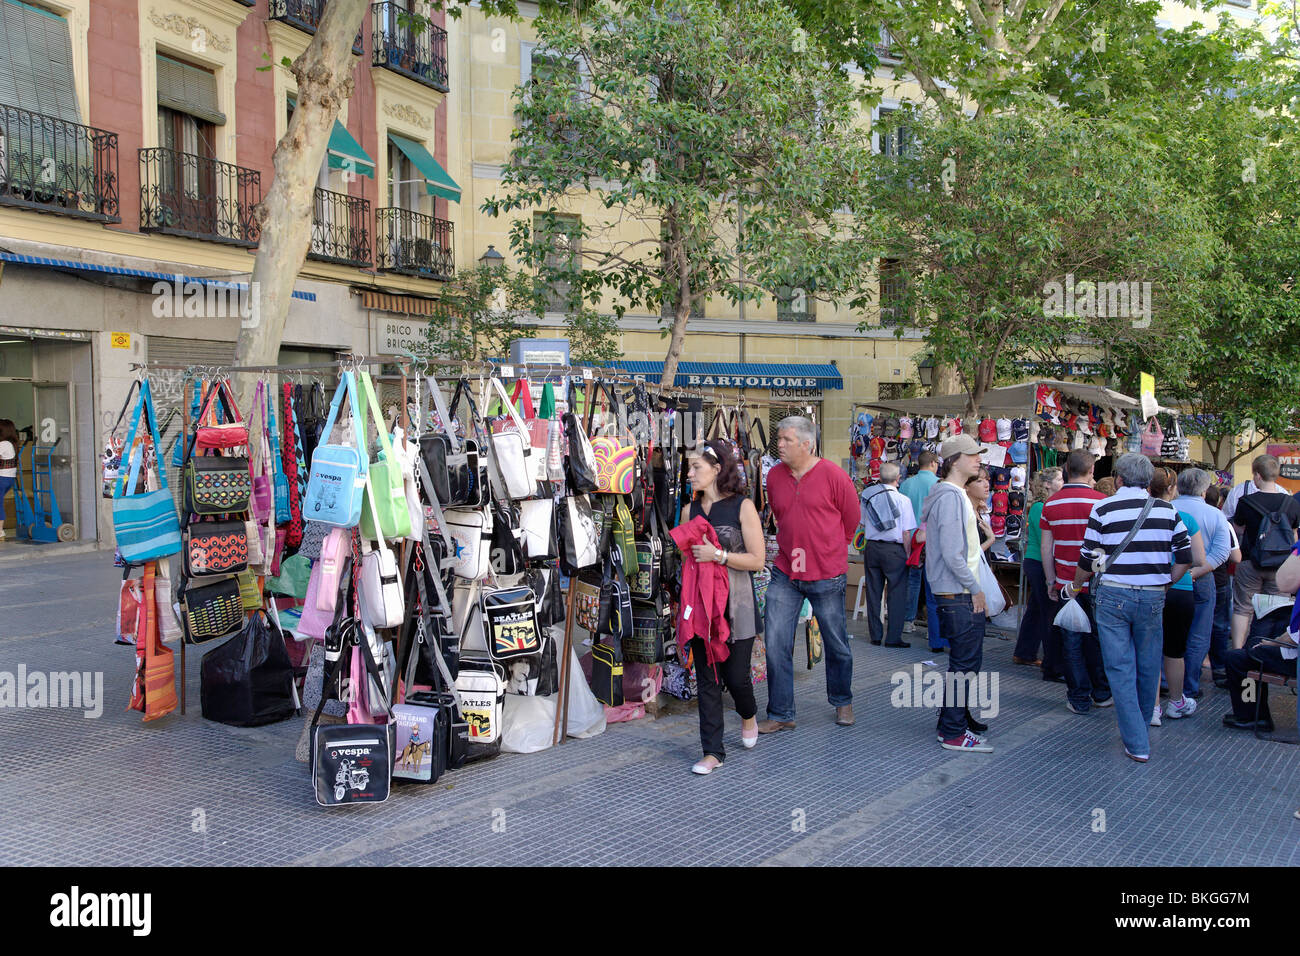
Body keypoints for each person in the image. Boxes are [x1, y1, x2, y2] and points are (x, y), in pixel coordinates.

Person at [1070, 453, 1192, 763]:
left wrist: (1075, 585)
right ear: (1148, 481)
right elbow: (1185, 556)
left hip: (1113, 594)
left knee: (1119, 667)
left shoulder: (1103, 507)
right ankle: (1141, 725)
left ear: (1119, 479)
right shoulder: (1168, 511)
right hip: (1152, 596)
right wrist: (1165, 583)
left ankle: (1137, 741)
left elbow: (1088, 558)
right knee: (1149, 664)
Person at [759, 416, 860, 732]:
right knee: (775, 641)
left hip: (826, 572)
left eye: (787, 439)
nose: (780, 445)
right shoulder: (774, 476)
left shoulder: (834, 475)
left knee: (836, 641)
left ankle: (842, 701)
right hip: (786, 569)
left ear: (808, 444)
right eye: (779, 439)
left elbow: (851, 519)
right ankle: (781, 713)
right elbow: (779, 514)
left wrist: (832, 549)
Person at [682, 438, 765, 774]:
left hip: (738, 603)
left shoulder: (742, 506)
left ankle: (748, 714)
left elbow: (758, 559)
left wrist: (719, 555)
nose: (689, 473)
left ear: (717, 470)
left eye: (695, 467)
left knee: (736, 677)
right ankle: (712, 752)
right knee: (708, 679)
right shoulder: (691, 510)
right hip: (703, 606)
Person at [922, 433, 994, 753]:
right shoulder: (951, 496)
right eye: (972, 454)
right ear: (954, 461)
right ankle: (952, 732)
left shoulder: (950, 494)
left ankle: (952, 723)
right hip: (958, 593)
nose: (978, 458)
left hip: (954, 592)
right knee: (964, 666)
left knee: (963, 665)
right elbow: (953, 554)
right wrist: (976, 589)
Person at [1043, 451, 1111, 714]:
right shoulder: (1103, 503)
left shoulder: (1051, 505)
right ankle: (1102, 692)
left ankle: (1079, 696)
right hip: (1096, 583)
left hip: (1065, 585)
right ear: (1092, 470)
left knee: (1071, 643)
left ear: (1067, 469)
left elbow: (1048, 549)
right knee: (1096, 638)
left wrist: (1051, 581)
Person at [1150, 467, 1210, 725]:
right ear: (1172, 489)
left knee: (1148, 649)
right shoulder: (1185, 518)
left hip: (1149, 587)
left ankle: (1151, 708)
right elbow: (1198, 559)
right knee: (1175, 651)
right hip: (1180, 589)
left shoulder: (1141, 514)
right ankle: (1176, 701)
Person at [1172, 468, 1233, 699]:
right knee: (1198, 632)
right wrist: (1196, 572)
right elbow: (1221, 552)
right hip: (1202, 578)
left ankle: (1167, 679)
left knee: (1166, 629)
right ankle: (1189, 685)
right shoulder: (1215, 514)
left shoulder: (1168, 509)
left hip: (1170, 578)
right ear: (1205, 490)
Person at [1230, 455, 1300, 650]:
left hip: (1251, 562)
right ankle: (1266, 651)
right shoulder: (1292, 503)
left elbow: (1238, 529)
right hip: (1280, 567)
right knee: (1275, 611)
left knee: (1243, 608)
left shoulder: (1246, 502)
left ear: (1258, 476)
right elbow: (1294, 536)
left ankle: (1238, 651)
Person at [860, 461, 917, 648]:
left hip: (872, 547)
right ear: (898, 478)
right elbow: (906, 532)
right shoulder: (903, 500)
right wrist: (908, 554)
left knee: (874, 592)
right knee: (897, 594)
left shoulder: (867, 496)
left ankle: (875, 635)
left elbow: (862, 522)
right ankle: (893, 637)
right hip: (894, 550)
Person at [1013, 467, 1063, 667]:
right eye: (1060, 479)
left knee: (1035, 609)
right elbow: (1046, 541)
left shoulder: (1044, 506)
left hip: (1038, 561)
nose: (1063, 482)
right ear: (1047, 484)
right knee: (1048, 611)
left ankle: (1025, 652)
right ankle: (1051, 659)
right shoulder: (1041, 507)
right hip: (1039, 561)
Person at [1204, 485, 1242, 687]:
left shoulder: (1179, 513)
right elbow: (1236, 556)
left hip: (1183, 580)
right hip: (1218, 580)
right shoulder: (1222, 521)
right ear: (1219, 501)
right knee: (1219, 625)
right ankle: (1219, 667)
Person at [899, 451, 940, 638]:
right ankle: (933, 626)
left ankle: (908, 620)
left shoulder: (906, 484)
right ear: (932, 463)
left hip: (911, 539)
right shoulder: (938, 485)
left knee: (912, 581)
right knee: (932, 583)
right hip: (932, 539)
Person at [965, 466, 995, 553]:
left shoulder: (976, 511)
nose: (987, 485)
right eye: (979, 481)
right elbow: (968, 555)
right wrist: (990, 540)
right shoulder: (966, 514)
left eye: (987, 479)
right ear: (966, 486)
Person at [0, 419, 18, 541]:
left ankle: (0, 531)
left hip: (2, 477)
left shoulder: (3, 444)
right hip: (9, 478)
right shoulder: (11, 444)